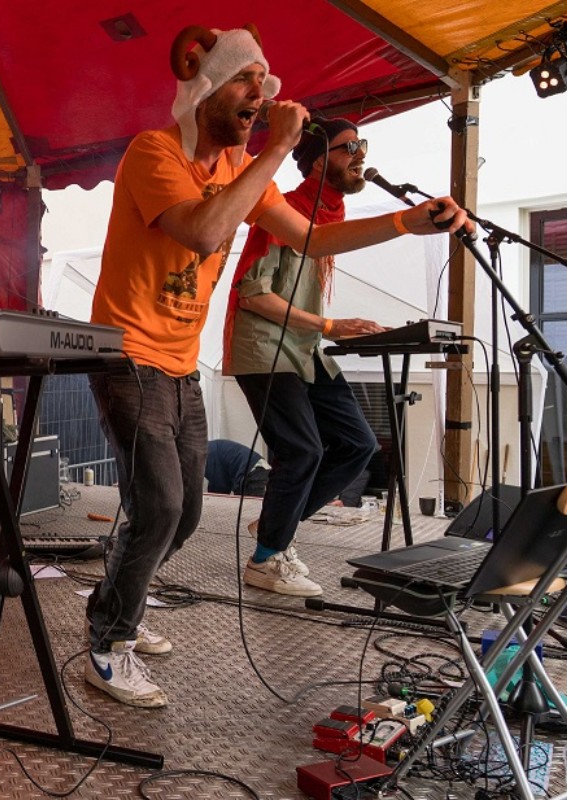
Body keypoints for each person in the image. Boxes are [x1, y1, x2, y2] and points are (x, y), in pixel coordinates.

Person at [85, 25, 472, 708]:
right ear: (205, 90)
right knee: (162, 505)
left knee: (186, 512)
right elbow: (204, 231)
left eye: (266, 82)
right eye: (246, 79)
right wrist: (280, 148)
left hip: (178, 360)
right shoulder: (154, 152)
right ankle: (108, 643)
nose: (260, 94)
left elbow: (315, 234)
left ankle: (123, 597)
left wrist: (408, 222)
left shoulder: (241, 169)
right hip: (127, 354)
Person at [223, 118, 385, 598]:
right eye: (347, 147)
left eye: (362, 145)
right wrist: (330, 326)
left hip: (304, 350)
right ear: (317, 161)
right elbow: (250, 293)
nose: (360, 154)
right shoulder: (284, 212)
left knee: (358, 444)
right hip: (265, 350)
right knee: (303, 450)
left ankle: (276, 524)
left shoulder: (327, 218)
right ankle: (267, 557)